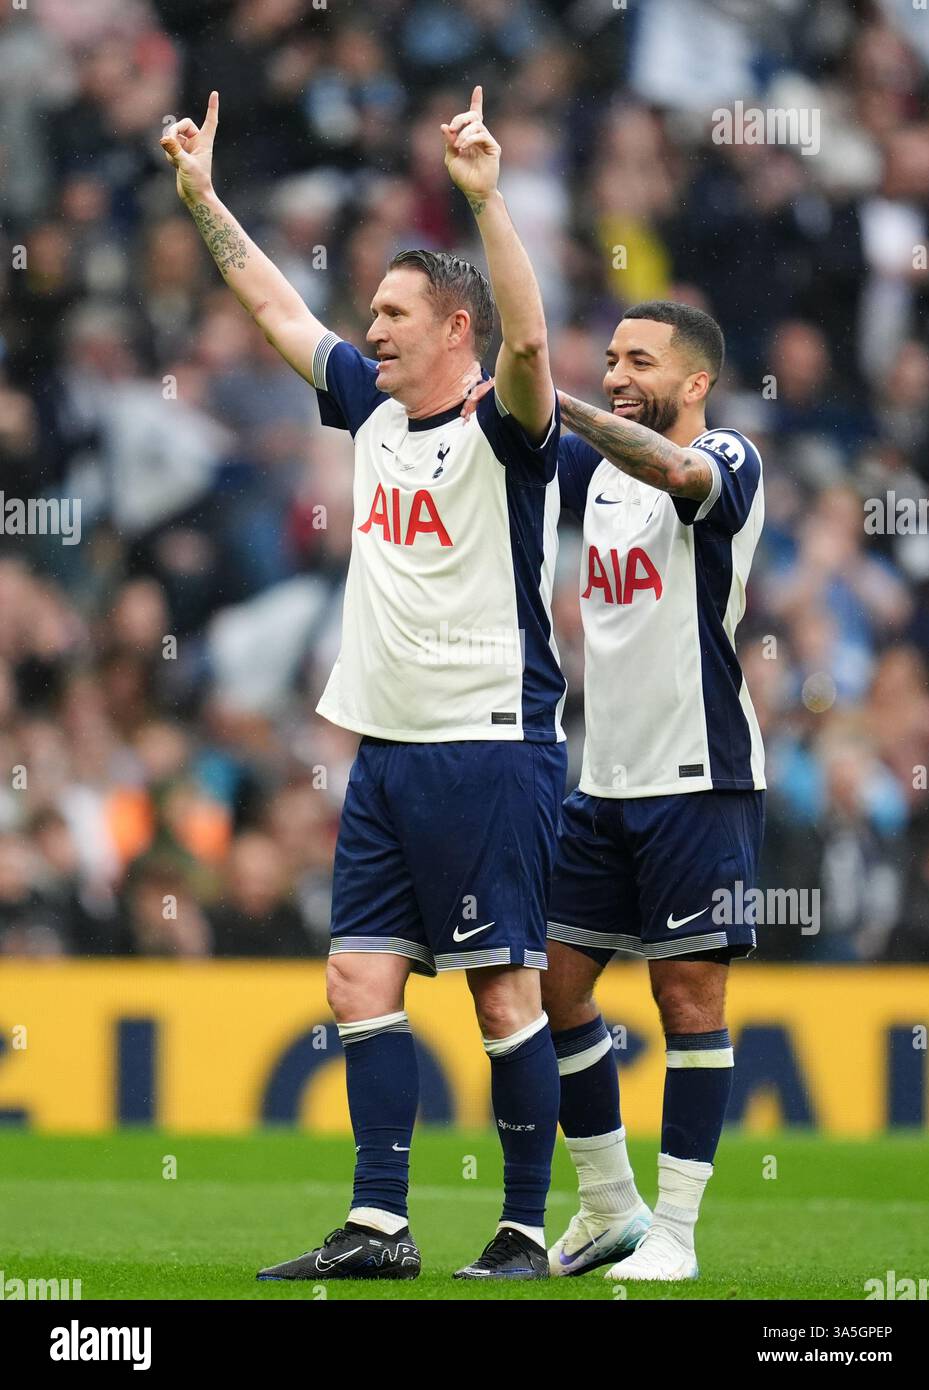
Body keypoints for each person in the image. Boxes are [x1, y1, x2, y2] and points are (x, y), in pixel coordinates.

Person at [160, 87, 567, 1281]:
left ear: (455, 328)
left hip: (491, 742)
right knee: (355, 979)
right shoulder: (371, 413)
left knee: (503, 999)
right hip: (387, 749)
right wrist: (202, 198)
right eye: (372, 313)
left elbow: (536, 344)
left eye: (393, 314)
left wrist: (485, 199)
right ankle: (382, 1222)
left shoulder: (510, 428)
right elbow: (276, 307)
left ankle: (526, 1229)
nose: (370, 329)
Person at [466, 301, 765, 1281]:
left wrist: (575, 404)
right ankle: (609, 1206)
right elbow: (529, 421)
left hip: (699, 775)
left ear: (694, 383)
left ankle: (676, 1231)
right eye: (610, 357)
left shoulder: (726, 456)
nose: (620, 369)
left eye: (641, 359)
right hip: (607, 778)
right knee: (554, 981)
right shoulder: (592, 475)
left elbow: (675, 472)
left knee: (688, 995)